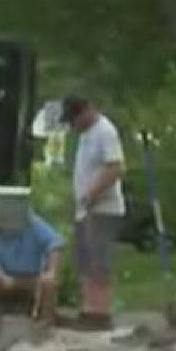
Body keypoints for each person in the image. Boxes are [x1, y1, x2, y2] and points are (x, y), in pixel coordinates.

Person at [64, 94, 125, 330]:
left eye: (74, 119)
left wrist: (91, 193)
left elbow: (115, 167)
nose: (73, 125)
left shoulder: (105, 132)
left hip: (102, 209)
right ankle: (88, 308)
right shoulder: (85, 136)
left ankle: (100, 312)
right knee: (84, 260)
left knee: (99, 261)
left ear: (86, 111)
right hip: (85, 210)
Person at [0, 211, 64, 320]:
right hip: (1, 275)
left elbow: (55, 243)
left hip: (30, 277)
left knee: (48, 282)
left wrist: (51, 271)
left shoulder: (32, 222)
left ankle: (45, 325)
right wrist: (0, 274)